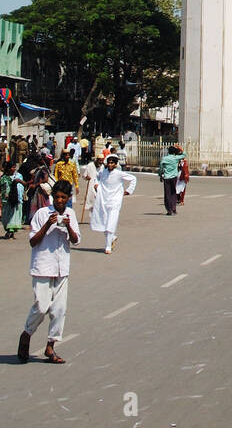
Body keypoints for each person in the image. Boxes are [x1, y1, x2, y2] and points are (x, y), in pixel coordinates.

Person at [17, 179, 79, 364]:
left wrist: (67, 225)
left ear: (68, 198)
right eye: (57, 197)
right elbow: (32, 241)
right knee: (42, 306)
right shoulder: (42, 214)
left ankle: (50, 346)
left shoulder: (70, 214)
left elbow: (76, 240)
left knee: (59, 309)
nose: (60, 201)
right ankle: (27, 333)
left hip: (62, 268)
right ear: (52, 197)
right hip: (43, 266)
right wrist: (48, 225)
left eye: (63, 197)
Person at [89, 153, 137, 254]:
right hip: (103, 199)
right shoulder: (103, 172)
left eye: (112, 163)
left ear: (115, 164)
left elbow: (133, 179)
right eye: (109, 163)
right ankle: (112, 237)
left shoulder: (119, 173)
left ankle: (107, 246)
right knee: (104, 221)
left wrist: (128, 191)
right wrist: (96, 185)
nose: (110, 165)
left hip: (115, 200)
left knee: (111, 221)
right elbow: (96, 178)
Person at [1, 160, 25, 239]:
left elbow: (24, 184)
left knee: (13, 216)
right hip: (6, 200)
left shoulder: (18, 176)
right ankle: (9, 231)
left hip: (16, 199)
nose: (14, 169)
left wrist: (19, 181)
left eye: (15, 167)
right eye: (12, 167)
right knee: (6, 217)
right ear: (8, 168)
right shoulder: (3, 178)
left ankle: (10, 231)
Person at [158, 145, 180, 216]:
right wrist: (179, 148)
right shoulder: (176, 158)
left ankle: (169, 210)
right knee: (173, 192)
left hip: (167, 177)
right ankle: (174, 208)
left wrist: (160, 175)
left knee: (167, 193)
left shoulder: (165, 159)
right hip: (174, 177)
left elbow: (161, 168)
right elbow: (184, 154)